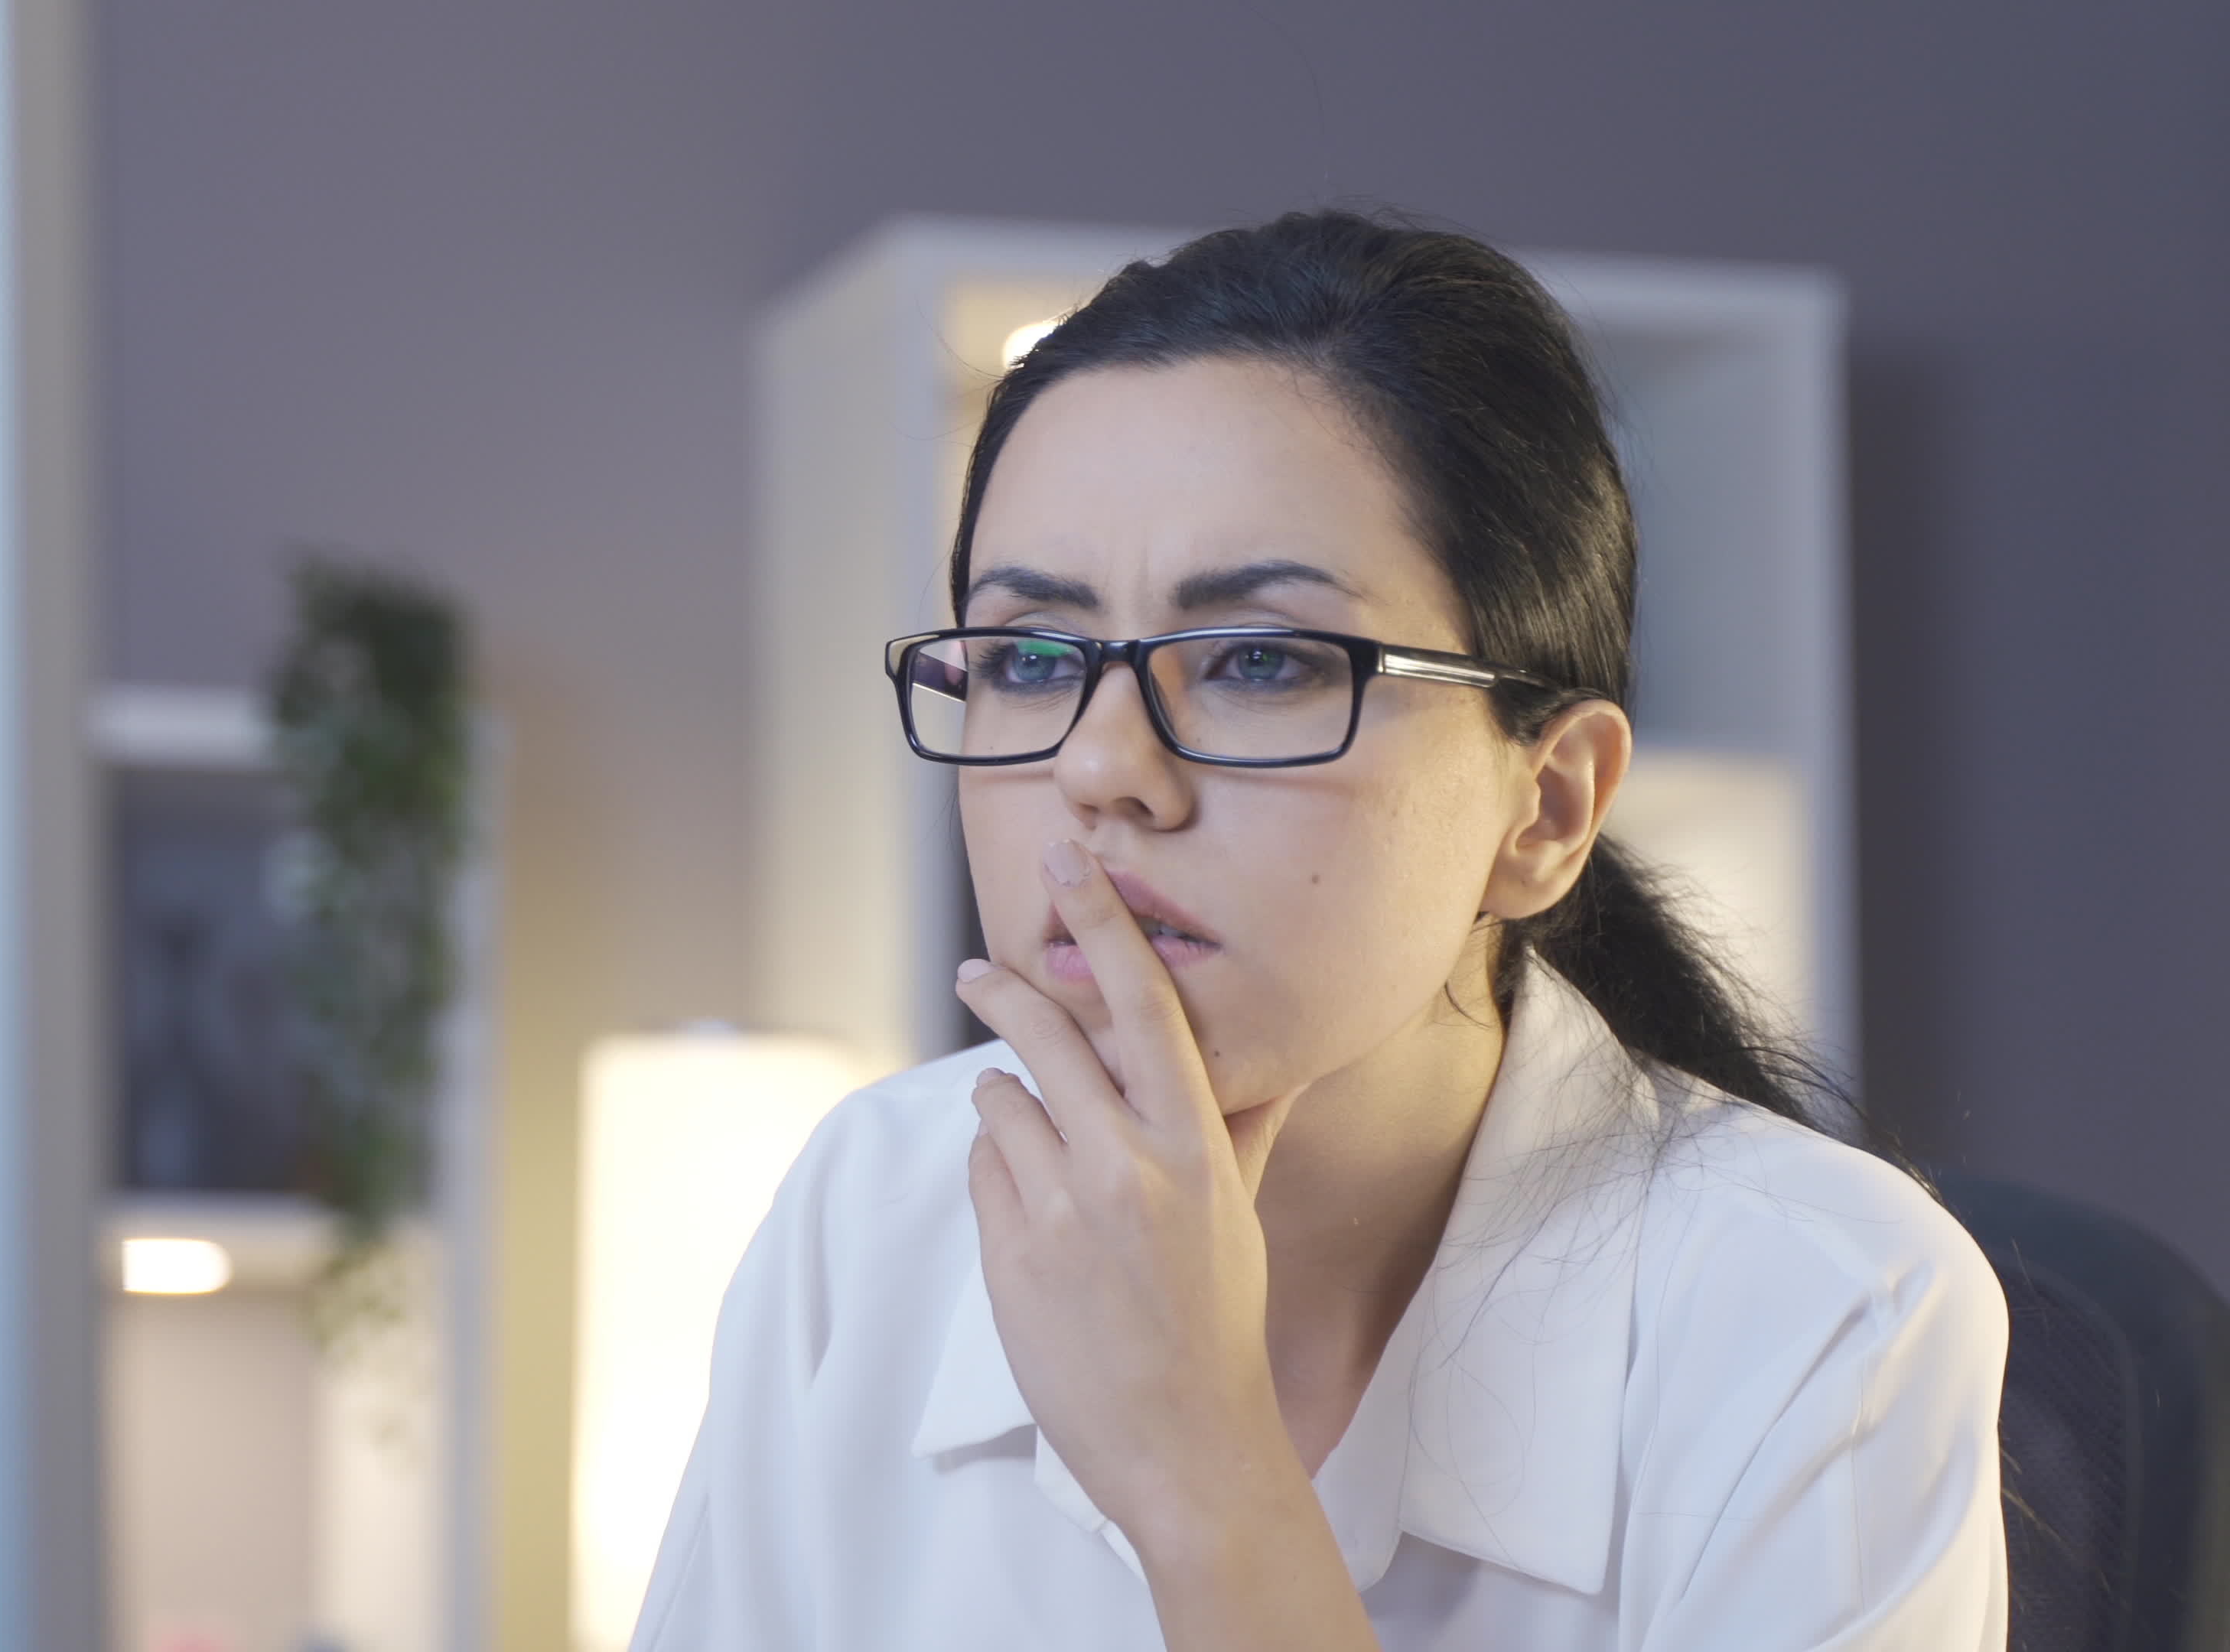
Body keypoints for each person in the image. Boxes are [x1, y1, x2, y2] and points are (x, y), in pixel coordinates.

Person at [631, 210, 2007, 1650]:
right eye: (1031, 657)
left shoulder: (1827, 1312)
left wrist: (1205, 1479)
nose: (1102, 769)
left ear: (1545, 807)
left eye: (1261, 661)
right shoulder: (880, 1205)